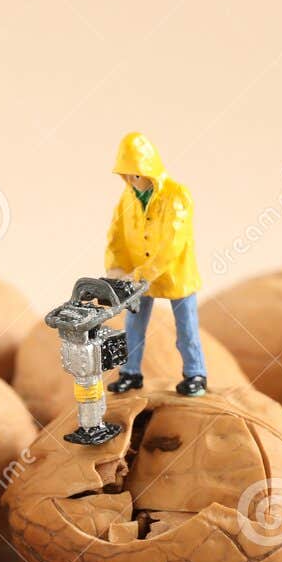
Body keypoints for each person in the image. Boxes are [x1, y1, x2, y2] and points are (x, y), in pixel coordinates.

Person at [102, 132, 207, 396]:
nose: (128, 181)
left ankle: (195, 374)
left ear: (148, 170)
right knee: (133, 326)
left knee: (186, 328)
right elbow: (116, 236)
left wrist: (144, 273)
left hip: (174, 276)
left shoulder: (177, 195)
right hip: (137, 278)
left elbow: (174, 240)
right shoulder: (127, 199)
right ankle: (130, 372)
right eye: (124, 175)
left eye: (133, 174)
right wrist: (115, 267)